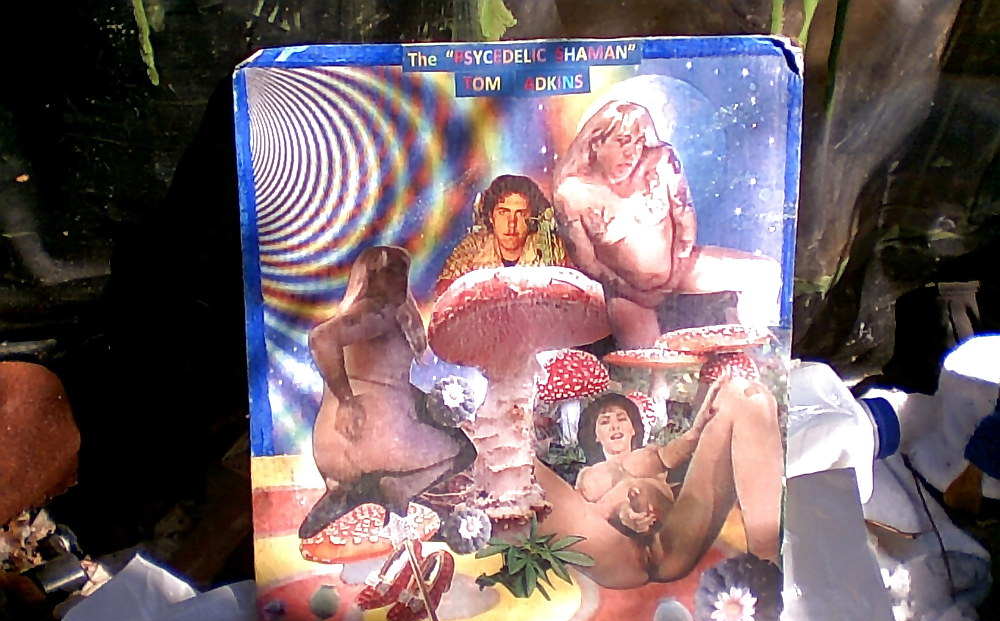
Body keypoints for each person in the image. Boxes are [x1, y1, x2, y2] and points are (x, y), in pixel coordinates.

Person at [553, 100, 782, 348]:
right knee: (645, 364)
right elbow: (588, 262)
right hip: (626, 291)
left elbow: (685, 221)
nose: (632, 153)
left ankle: (756, 355)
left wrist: (672, 278)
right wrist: (637, 293)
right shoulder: (573, 192)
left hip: (680, 266)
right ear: (596, 142)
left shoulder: (661, 161)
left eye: (639, 142)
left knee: (765, 273)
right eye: (623, 141)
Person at [535, 376, 783, 589]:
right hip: (617, 555)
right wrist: (622, 514)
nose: (614, 426)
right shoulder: (589, 475)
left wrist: (697, 429)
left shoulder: (649, 455)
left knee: (748, 395)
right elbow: (583, 520)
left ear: (634, 428)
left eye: (621, 419)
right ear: (595, 435)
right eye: (605, 422)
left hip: (673, 540)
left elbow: (678, 450)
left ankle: (766, 574)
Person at [299, 245, 474, 538]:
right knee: (464, 450)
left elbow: (390, 377)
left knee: (433, 429)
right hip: (378, 438)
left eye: (402, 270)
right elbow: (321, 338)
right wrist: (347, 401)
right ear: (369, 276)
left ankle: (345, 490)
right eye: (389, 271)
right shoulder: (375, 313)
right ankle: (402, 487)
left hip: (331, 446)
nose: (399, 278)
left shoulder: (380, 315)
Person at [434, 174, 572, 296]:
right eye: (503, 212)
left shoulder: (550, 249)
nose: (511, 223)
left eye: (520, 214)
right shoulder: (470, 252)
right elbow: (444, 298)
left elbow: (571, 295)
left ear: (532, 218)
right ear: (491, 216)